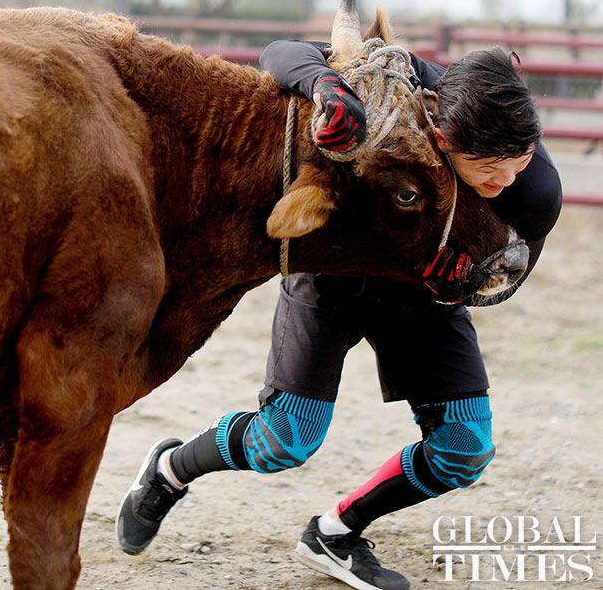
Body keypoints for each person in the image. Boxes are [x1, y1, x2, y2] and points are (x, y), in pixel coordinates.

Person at [115, 39, 563, 590]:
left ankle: (336, 533)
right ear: (442, 139)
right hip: (333, 273)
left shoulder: (535, 189)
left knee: (464, 450)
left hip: (421, 292)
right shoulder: (413, 86)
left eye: (519, 160)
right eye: (489, 169)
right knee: (284, 441)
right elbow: (281, 53)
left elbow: (502, 277)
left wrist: (459, 292)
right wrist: (327, 88)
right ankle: (169, 471)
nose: (508, 180)